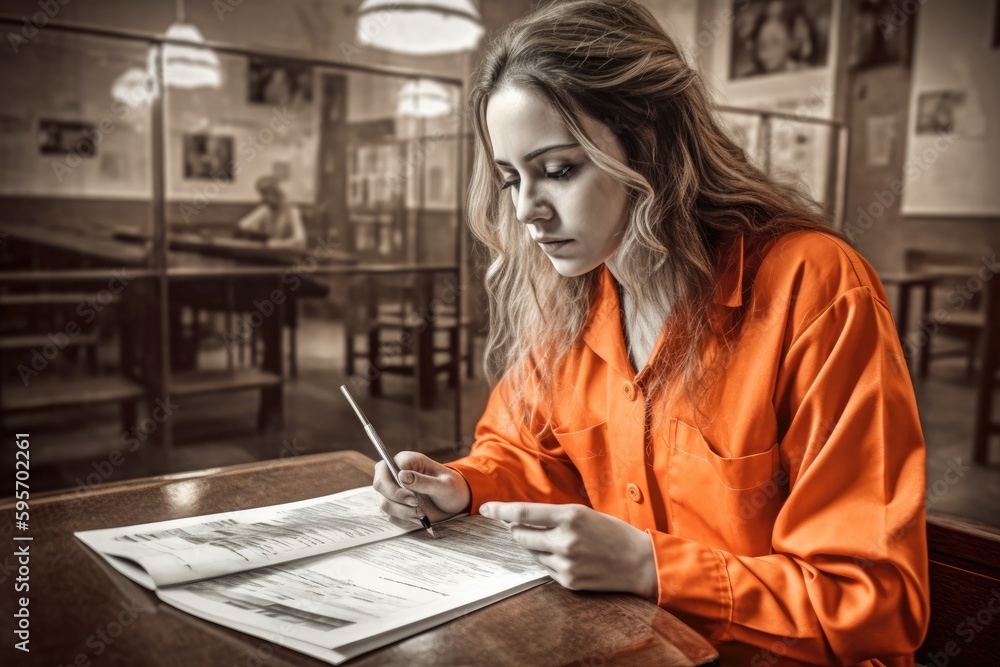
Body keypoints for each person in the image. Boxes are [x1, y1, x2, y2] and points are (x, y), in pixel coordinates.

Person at [372, 1, 929, 664]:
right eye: (511, 178)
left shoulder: (814, 287)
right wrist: (461, 485)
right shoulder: (573, 298)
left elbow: (874, 596)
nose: (526, 210)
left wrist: (650, 565)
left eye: (558, 170)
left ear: (653, 143)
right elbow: (530, 457)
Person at [236, 175, 307, 249]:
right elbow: (243, 226)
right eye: (262, 194)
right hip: (270, 255)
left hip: (287, 256)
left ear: (276, 193)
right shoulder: (266, 210)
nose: (263, 198)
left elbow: (301, 242)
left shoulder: (293, 211)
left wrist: (276, 244)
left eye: (265, 194)